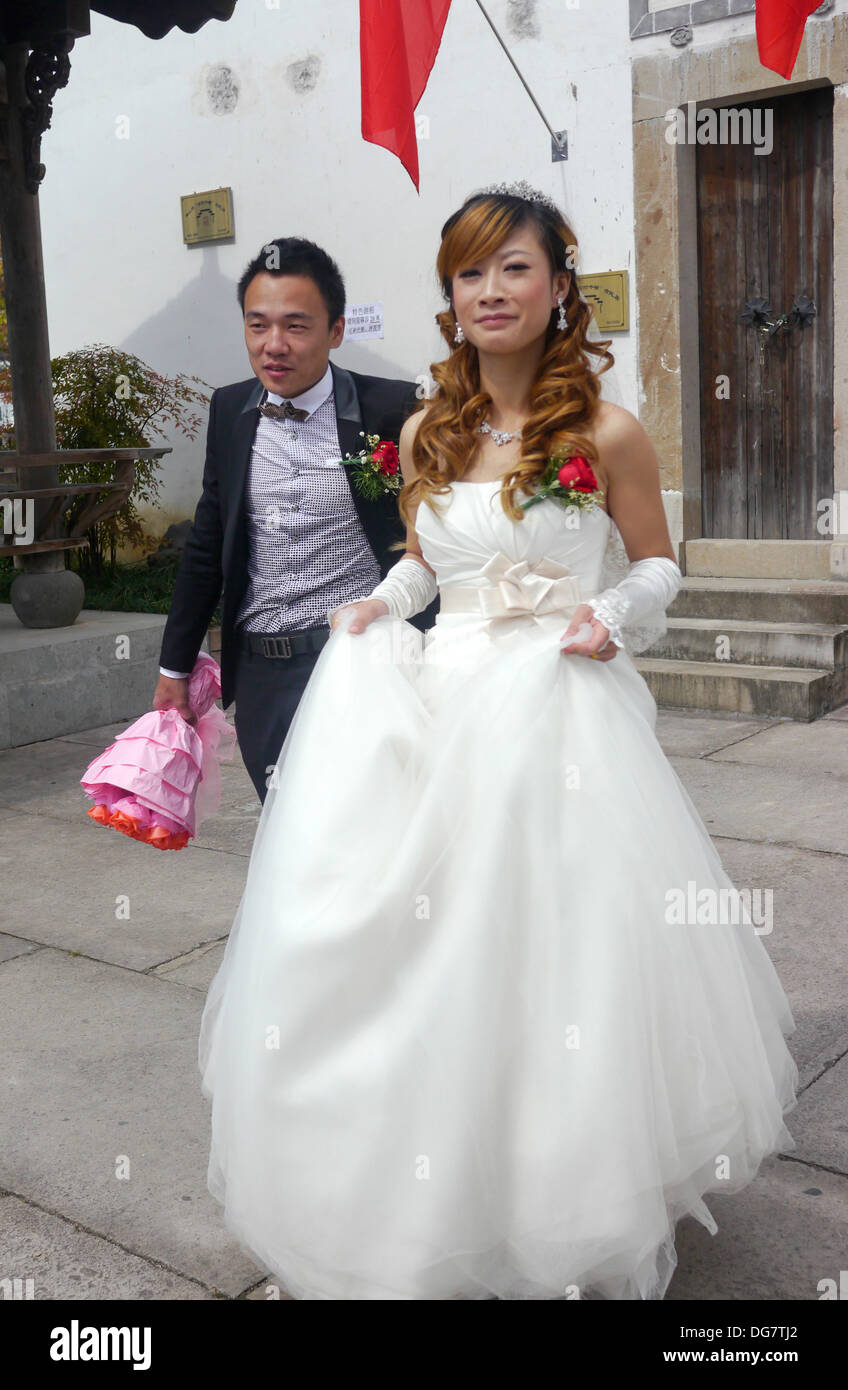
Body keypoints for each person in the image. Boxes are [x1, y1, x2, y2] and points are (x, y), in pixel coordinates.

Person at [197, 183, 798, 1301]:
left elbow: (659, 562)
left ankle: (562, 1187)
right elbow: (428, 563)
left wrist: (610, 615)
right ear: (451, 295)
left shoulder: (605, 429)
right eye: (468, 273)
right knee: (417, 944)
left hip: (560, 703)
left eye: (512, 268)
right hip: (449, 690)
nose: (488, 291)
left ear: (558, 285)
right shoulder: (427, 429)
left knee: (559, 953)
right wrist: (381, 598)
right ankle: (427, 1184)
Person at [153, 237, 438, 801]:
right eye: (257, 326)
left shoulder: (392, 408)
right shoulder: (230, 410)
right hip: (263, 673)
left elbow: (430, 541)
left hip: (363, 661)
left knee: (373, 833)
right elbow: (208, 544)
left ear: (335, 332)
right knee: (288, 836)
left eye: (296, 326)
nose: (273, 346)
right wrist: (175, 666)